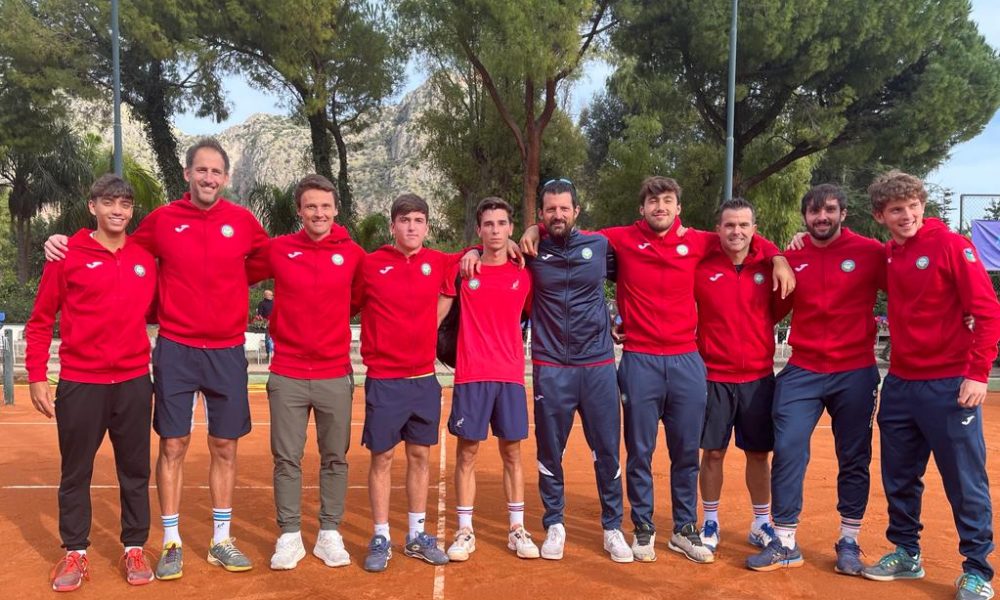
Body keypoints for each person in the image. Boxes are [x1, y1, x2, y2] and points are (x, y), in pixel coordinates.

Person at [522, 176, 794, 564]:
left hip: (686, 360)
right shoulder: (618, 239)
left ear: (678, 208)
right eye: (653, 201)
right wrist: (535, 226)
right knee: (639, 452)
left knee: (686, 452)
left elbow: (742, 238)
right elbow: (568, 231)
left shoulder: (700, 240)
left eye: (667, 201)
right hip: (639, 359)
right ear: (642, 208)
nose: (660, 208)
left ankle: (685, 528)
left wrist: (778, 256)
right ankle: (644, 527)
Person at [44, 138, 270, 579]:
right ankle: (170, 542)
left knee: (225, 445)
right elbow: (115, 243)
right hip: (177, 348)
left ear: (226, 177)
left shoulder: (243, 222)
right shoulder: (163, 221)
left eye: (216, 172)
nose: (208, 178)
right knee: (173, 444)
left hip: (227, 349)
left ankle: (221, 539)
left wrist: (228, 282)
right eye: (200, 170)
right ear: (187, 175)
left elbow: (264, 261)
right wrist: (63, 241)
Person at [861, 171, 1000, 600]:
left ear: (923, 204)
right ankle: (906, 552)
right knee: (899, 476)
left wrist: (977, 372)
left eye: (912, 206)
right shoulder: (889, 254)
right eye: (896, 210)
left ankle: (977, 570)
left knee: (964, 480)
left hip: (949, 384)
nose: (906, 215)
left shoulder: (952, 246)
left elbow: (988, 311)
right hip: (901, 383)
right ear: (880, 215)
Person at [27, 175, 157, 591]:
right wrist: (35, 376)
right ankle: (75, 553)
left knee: (134, 471)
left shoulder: (144, 257)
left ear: (131, 210)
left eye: (124, 204)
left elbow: (160, 311)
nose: (117, 210)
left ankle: (134, 546)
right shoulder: (66, 254)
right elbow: (41, 319)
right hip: (81, 383)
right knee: (76, 472)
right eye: (108, 202)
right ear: (92, 207)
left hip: (135, 381)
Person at [747, 184, 884, 574]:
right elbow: (762, 292)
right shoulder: (793, 256)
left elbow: (912, 288)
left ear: (843, 213)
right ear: (805, 217)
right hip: (803, 370)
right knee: (788, 448)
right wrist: (778, 256)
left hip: (855, 372)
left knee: (854, 457)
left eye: (829, 210)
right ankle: (785, 541)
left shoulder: (870, 253)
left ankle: (849, 541)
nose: (821, 217)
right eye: (813, 212)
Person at [504, 179, 631, 563]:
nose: (557, 214)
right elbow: (492, 250)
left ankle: (612, 527)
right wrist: (526, 233)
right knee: (549, 450)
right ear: (541, 215)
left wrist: (622, 317)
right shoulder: (531, 249)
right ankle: (554, 524)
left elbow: (639, 277)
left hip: (597, 365)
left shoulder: (601, 246)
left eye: (564, 208)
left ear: (576, 211)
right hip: (550, 365)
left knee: (607, 449)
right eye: (549, 210)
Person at [245, 174, 365, 570]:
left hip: (334, 373)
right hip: (288, 373)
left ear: (336, 209)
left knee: (335, 457)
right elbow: (232, 269)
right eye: (310, 206)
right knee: (287, 459)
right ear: (299, 210)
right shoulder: (279, 249)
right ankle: (290, 536)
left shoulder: (353, 254)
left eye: (325, 206)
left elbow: (360, 298)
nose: (318, 212)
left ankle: (329, 533)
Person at [354, 193, 457, 573]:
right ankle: (381, 534)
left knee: (420, 457)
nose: (411, 226)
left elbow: (473, 258)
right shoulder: (370, 264)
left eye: (418, 220)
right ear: (392, 225)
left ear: (426, 226)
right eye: (404, 220)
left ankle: (415, 535)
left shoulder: (439, 261)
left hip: (423, 380)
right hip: (384, 380)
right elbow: (344, 301)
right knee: (381, 458)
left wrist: (434, 320)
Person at [441, 197, 539, 562]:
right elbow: (436, 262)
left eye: (501, 223)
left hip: (511, 376)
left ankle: (516, 528)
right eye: (488, 224)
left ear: (511, 229)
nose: (495, 230)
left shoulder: (524, 273)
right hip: (471, 376)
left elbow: (548, 238)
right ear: (479, 230)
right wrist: (467, 252)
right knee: (467, 453)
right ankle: (465, 529)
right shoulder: (465, 271)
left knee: (512, 453)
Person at [694, 198, 780, 554]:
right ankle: (710, 519)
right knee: (712, 453)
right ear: (718, 230)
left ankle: (761, 522)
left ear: (754, 231)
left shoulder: (772, 269)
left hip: (758, 378)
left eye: (744, 225)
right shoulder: (701, 268)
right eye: (730, 225)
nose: (737, 231)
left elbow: (779, 311)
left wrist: (779, 258)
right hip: (713, 377)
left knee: (759, 454)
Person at [255, 290, 274, 361]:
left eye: (272, 295)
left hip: (275, 324)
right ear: (266, 295)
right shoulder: (262, 303)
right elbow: (259, 315)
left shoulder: (274, 303)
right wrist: (264, 321)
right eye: (270, 295)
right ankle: (268, 354)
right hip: (266, 324)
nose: (272, 296)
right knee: (268, 339)